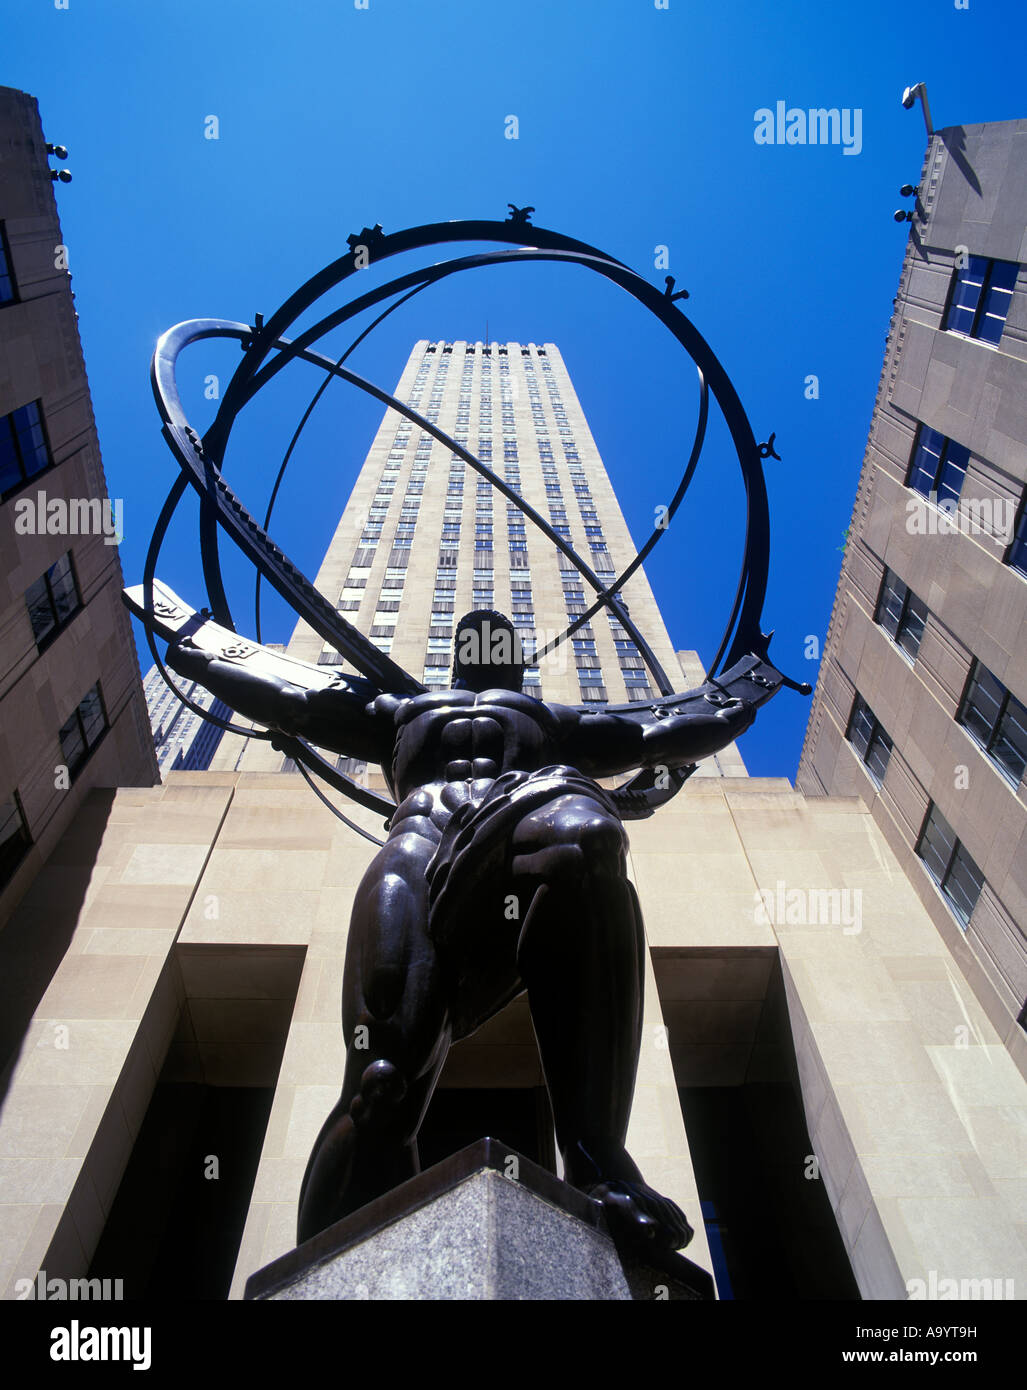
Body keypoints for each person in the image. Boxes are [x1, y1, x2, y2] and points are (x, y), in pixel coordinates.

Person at [167, 608, 757, 1254]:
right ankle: (324, 1267)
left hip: (513, 842)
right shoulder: (399, 708)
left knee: (586, 835)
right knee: (382, 1081)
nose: (486, 639)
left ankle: (595, 1159)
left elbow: (654, 733)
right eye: (475, 634)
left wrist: (743, 695)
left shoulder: (551, 719)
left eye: (500, 635)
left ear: (518, 658)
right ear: (454, 654)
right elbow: (295, 701)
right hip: (417, 852)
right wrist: (198, 647)